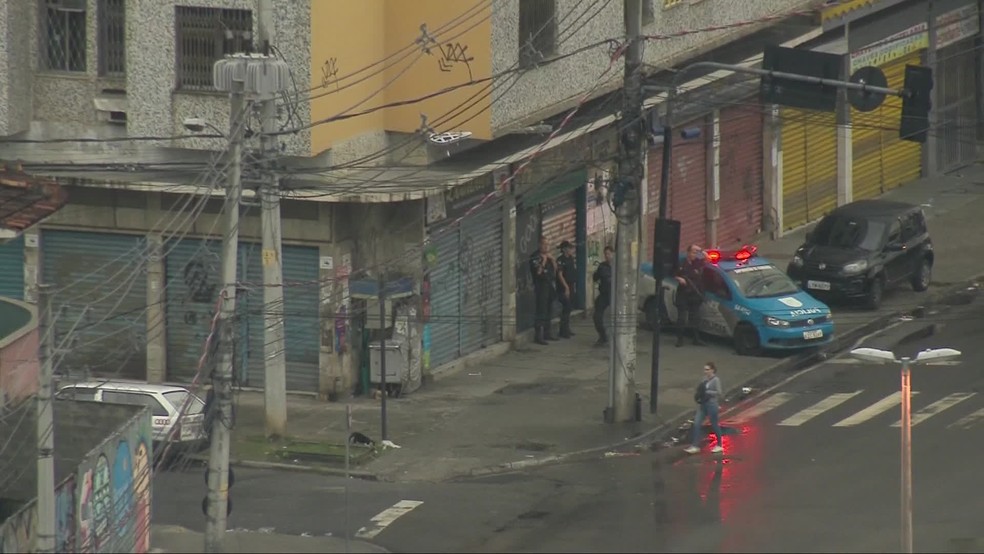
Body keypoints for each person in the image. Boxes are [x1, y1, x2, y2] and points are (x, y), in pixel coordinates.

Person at [684, 362, 724, 454]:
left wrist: (707, 392)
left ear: (712, 370)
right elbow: (700, 389)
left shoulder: (716, 380)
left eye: (707, 369)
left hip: (712, 405)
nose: (705, 371)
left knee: (714, 424)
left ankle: (719, 445)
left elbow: (719, 392)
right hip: (703, 404)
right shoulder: (704, 379)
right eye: (704, 369)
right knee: (697, 423)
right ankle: (695, 446)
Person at [675, 243, 705, 347]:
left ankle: (696, 339)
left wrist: (700, 249)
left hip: (695, 294)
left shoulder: (698, 263)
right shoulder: (682, 263)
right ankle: (680, 340)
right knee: (682, 318)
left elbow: (707, 258)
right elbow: (673, 273)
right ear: (688, 253)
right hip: (683, 294)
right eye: (693, 252)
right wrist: (679, 278)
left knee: (695, 318)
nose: (695, 254)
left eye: (696, 253)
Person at [530, 236, 558, 345]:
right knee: (541, 310)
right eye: (544, 244)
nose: (546, 246)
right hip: (540, 286)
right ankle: (539, 336)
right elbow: (538, 272)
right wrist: (544, 260)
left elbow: (555, 271)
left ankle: (547, 332)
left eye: (548, 244)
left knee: (549, 310)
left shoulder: (549, 256)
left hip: (549, 285)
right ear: (539, 245)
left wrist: (552, 260)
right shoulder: (535, 257)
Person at [592, 245, 614, 346]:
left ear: (613, 254)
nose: (607, 256)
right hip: (605, 294)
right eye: (605, 254)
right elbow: (596, 278)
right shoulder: (602, 266)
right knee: (597, 315)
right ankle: (603, 336)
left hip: (615, 294)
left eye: (608, 254)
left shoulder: (617, 266)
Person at [556, 240, 577, 339]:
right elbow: (560, 275)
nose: (571, 250)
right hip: (564, 287)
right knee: (566, 307)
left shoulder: (571, 259)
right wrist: (566, 287)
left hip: (571, 285)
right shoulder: (561, 260)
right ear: (564, 249)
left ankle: (566, 329)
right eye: (569, 248)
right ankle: (563, 331)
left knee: (568, 309)